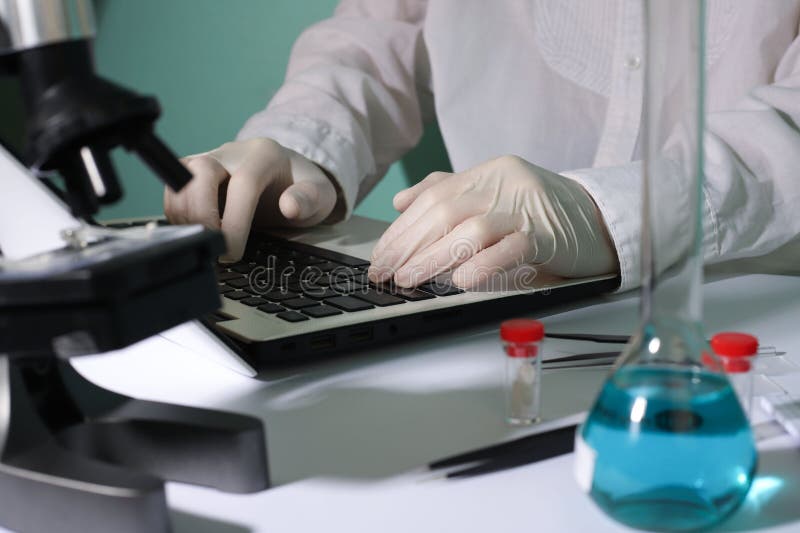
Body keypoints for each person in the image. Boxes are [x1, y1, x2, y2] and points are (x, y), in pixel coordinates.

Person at [164, 0, 800, 292]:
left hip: (756, 319)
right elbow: (380, 29)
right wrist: (301, 146)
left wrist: (607, 213)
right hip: (490, 307)